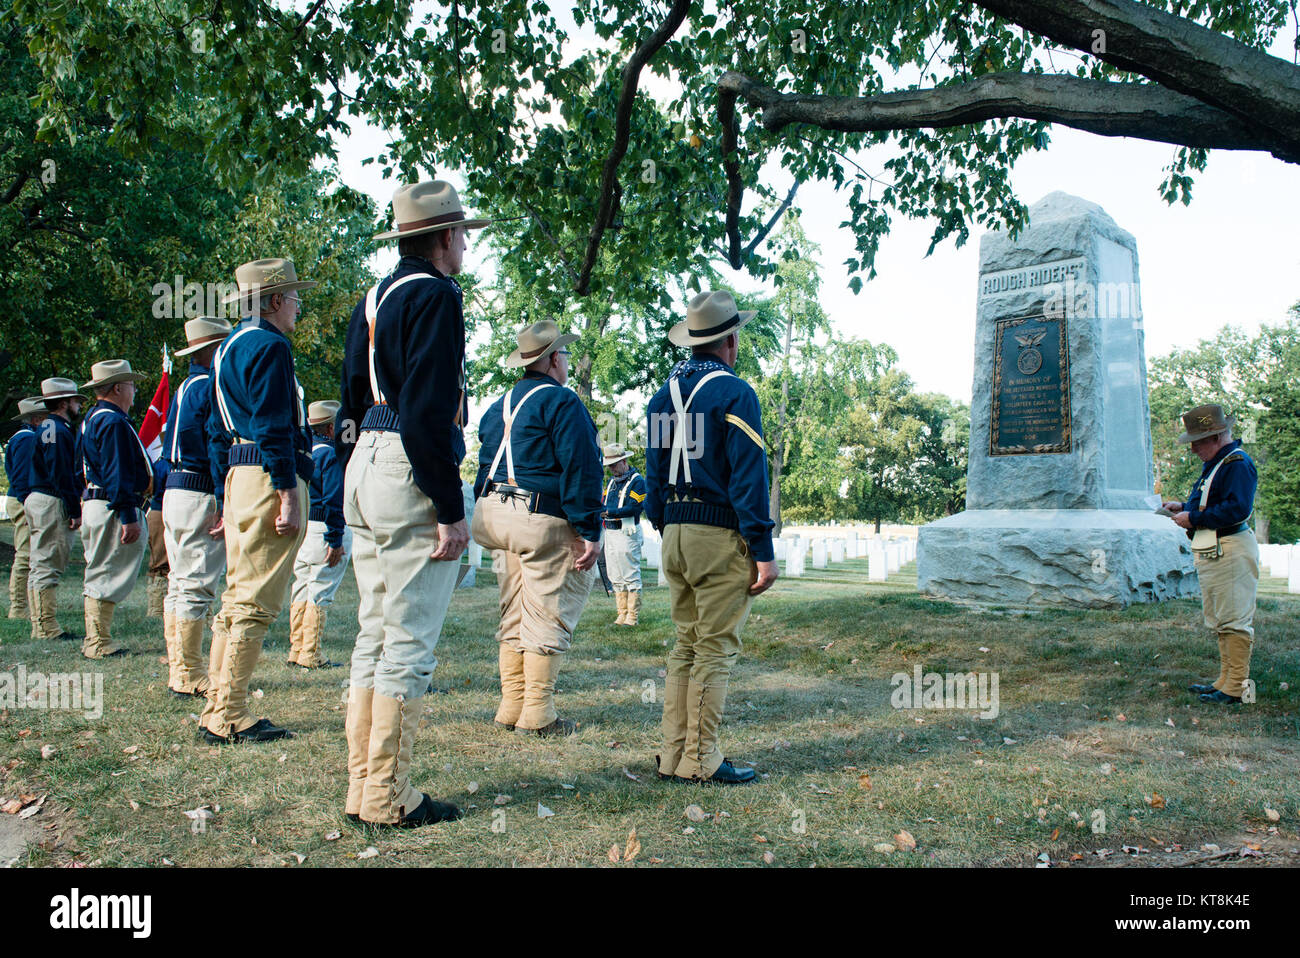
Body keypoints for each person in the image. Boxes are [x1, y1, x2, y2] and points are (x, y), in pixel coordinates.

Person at [337, 180, 488, 827]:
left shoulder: (371, 298)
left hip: (366, 458)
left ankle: (362, 787)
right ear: (446, 235)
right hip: (407, 460)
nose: (465, 245)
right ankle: (385, 796)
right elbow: (429, 411)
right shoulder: (437, 294)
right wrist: (450, 507)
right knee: (407, 642)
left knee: (375, 633)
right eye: (463, 234)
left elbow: (348, 399)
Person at [645, 290, 779, 785]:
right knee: (716, 647)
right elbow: (749, 477)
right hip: (715, 531)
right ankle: (700, 759)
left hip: (675, 530)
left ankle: (673, 754)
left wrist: (668, 526)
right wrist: (762, 550)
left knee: (686, 644)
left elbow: (654, 473)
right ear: (730, 339)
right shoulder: (734, 392)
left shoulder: (664, 395)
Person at [202, 259, 315, 744]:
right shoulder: (270, 345)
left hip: (238, 473)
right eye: (293, 297)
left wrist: (220, 491)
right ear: (273, 301)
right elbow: (273, 425)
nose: (297, 306)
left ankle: (218, 705)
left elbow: (212, 432)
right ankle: (229, 714)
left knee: (236, 597)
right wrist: (288, 492)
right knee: (253, 601)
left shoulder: (226, 348)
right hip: (267, 474)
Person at [473, 320, 603, 738]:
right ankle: (538, 713)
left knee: (513, 610)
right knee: (548, 611)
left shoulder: (499, 405)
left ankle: (510, 705)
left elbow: (484, 462)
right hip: (540, 517)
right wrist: (589, 528)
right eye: (562, 354)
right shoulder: (562, 402)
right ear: (550, 361)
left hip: (496, 513)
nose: (565, 361)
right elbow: (580, 467)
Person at [1162, 404, 1259, 705]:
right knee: (1221, 618)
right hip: (1217, 547)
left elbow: (1237, 508)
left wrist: (1194, 519)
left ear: (1215, 438)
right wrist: (1185, 508)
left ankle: (1238, 689)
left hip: (1230, 547)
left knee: (1233, 618)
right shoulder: (1221, 463)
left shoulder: (1236, 464)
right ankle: (1226, 680)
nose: (1192, 449)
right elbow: (1212, 502)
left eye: (1197, 442)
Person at [161, 317, 232, 698]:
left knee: (179, 582)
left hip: (175, 487)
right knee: (196, 583)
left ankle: (180, 667)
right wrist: (223, 498)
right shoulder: (208, 387)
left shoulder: (186, 387)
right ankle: (188, 673)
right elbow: (215, 445)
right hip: (199, 488)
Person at [77, 360, 153, 659]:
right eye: (131, 385)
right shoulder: (111, 421)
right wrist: (129, 514)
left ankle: (97, 638)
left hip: (97, 500)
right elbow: (117, 470)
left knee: (100, 568)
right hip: (111, 503)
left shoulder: (92, 418)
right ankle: (97, 641)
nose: (134, 392)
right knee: (106, 571)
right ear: (118, 387)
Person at [287, 400, 350, 669]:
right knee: (321, 590)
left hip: (302, 527)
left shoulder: (301, 450)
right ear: (331, 426)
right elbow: (334, 497)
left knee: (301, 585)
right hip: (323, 526)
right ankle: (310, 652)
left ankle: (296, 647)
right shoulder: (330, 454)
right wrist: (335, 537)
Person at [23, 378, 86, 642]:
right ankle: (46, 626)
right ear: (64, 403)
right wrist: (74, 509)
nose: (78, 405)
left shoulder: (48, 426)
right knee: (48, 562)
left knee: (40, 563)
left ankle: (41, 623)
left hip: (39, 495)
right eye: (75, 400)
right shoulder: (58, 430)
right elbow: (61, 473)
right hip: (51, 498)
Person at [4, 398, 46, 623]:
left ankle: (23, 604)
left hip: (20, 498)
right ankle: (18, 607)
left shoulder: (23, 438)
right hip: (23, 500)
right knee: (25, 554)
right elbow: (21, 478)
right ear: (37, 419)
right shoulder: (28, 439)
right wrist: (29, 503)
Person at [601, 443, 647, 626]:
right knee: (615, 574)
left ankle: (633, 616)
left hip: (627, 532)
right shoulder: (611, 482)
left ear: (624, 461)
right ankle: (621, 613)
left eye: (614, 465)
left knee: (630, 573)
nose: (612, 469)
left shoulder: (638, 481)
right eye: (610, 466)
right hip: (611, 532)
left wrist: (609, 512)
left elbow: (635, 508)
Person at [144, 453, 171, 617]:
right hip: (161, 509)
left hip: (158, 510)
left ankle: (159, 608)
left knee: (159, 563)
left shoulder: (160, 463)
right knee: (160, 563)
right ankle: (157, 608)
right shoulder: (166, 464)